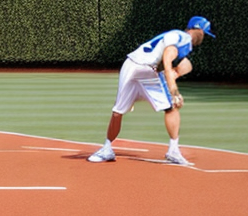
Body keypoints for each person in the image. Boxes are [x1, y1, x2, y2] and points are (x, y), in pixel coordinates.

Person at [88, 16, 215, 165]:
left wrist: (174, 73)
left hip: (131, 64)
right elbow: (168, 57)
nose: (204, 36)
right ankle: (173, 150)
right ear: (198, 29)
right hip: (146, 70)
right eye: (204, 32)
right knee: (171, 106)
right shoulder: (185, 38)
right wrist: (174, 90)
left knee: (118, 111)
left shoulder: (175, 35)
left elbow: (168, 61)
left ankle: (107, 148)